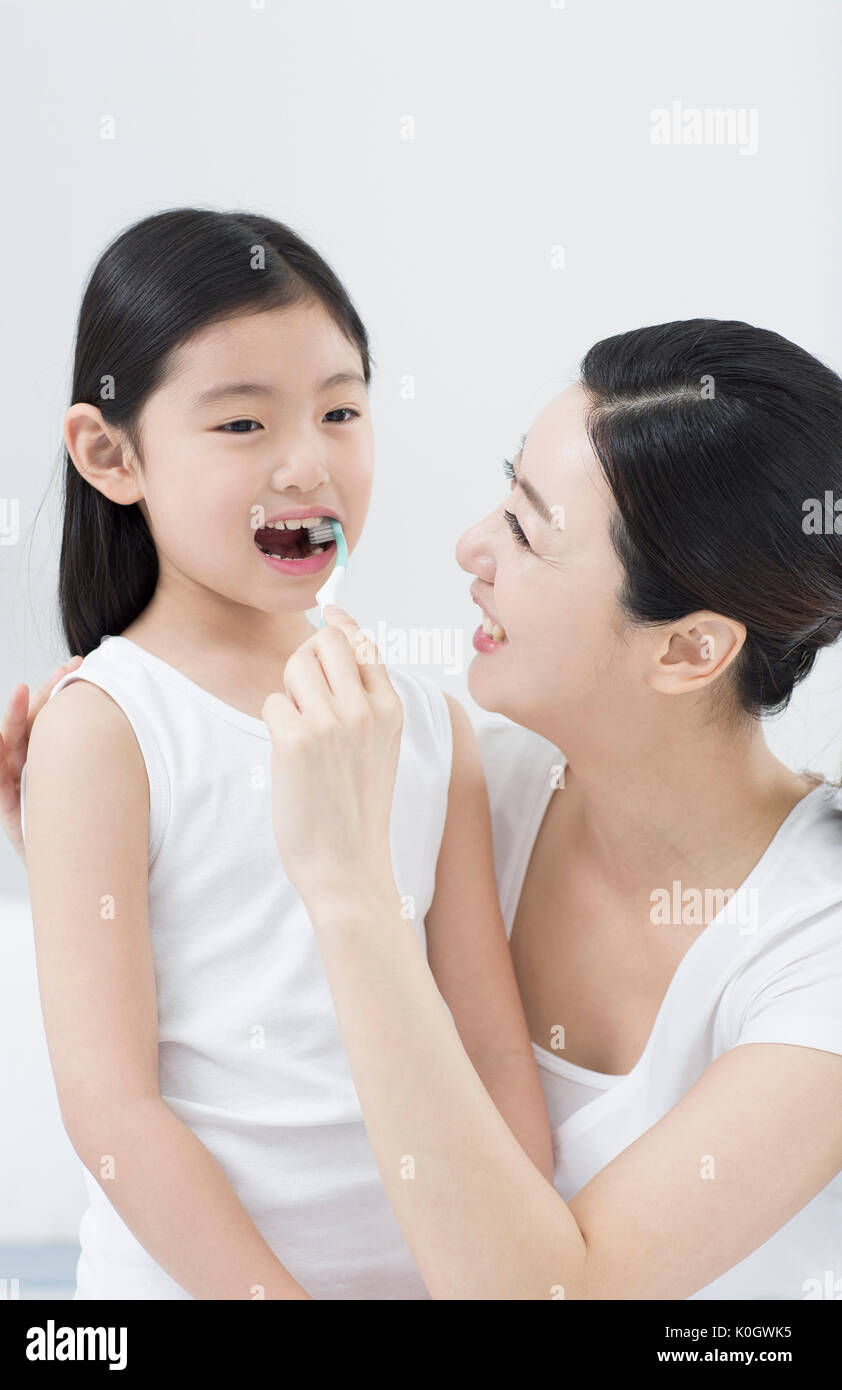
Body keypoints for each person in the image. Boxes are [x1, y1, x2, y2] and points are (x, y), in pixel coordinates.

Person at [0, 207, 551, 1300]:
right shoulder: (105, 726)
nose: (307, 463)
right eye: (242, 425)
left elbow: (489, 1057)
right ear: (111, 454)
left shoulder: (429, 726)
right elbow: (112, 1108)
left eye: (340, 410)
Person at [256, 319, 842, 1299]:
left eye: (526, 530)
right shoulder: (471, 785)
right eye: (505, 489)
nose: (470, 547)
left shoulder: (812, 953)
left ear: (688, 650)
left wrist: (351, 893)